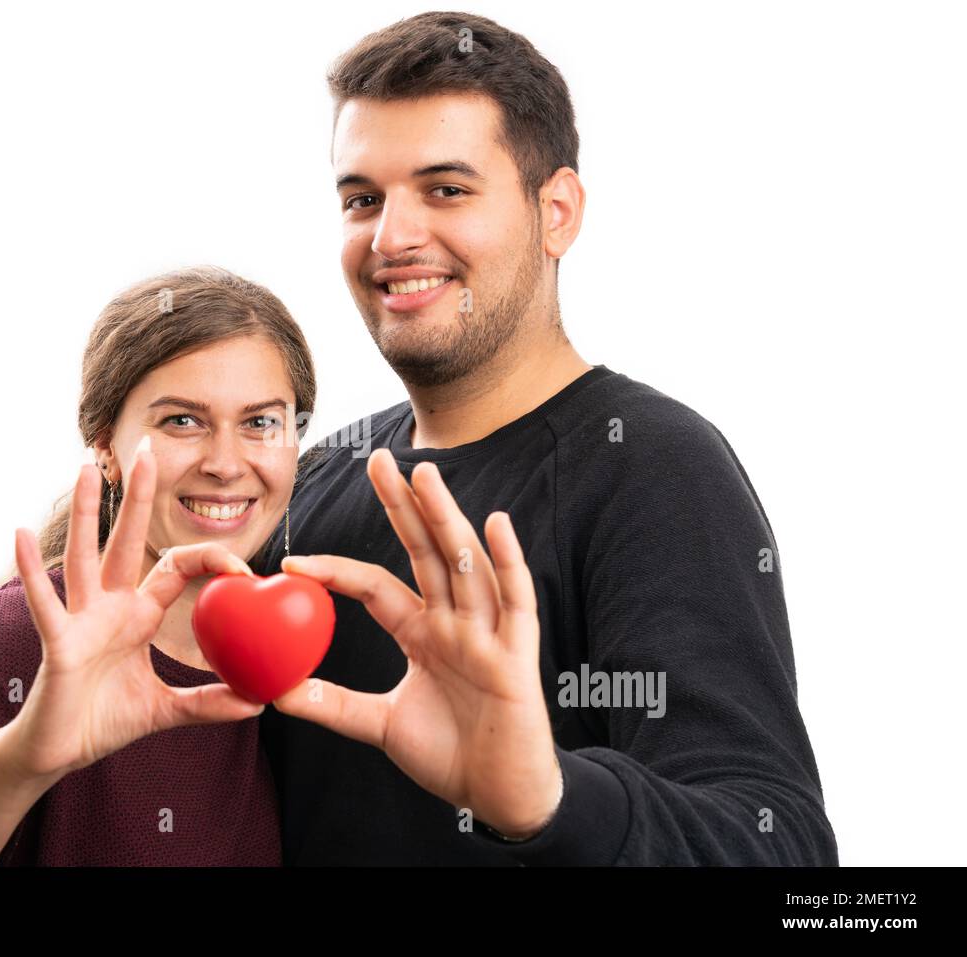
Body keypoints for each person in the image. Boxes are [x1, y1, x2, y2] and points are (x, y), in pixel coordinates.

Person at [254, 12, 840, 865]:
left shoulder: (655, 469)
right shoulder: (312, 479)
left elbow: (781, 845)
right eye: (362, 199)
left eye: (446, 189)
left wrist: (547, 798)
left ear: (556, 211)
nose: (391, 237)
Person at [0, 265, 316, 865]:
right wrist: (24, 760)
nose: (226, 463)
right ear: (107, 447)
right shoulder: (33, 632)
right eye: (182, 421)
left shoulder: (298, 635)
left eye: (261, 423)